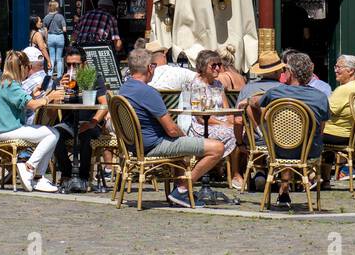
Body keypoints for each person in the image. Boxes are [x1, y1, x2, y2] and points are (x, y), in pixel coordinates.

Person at [119, 49, 224, 207]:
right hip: (153, 145)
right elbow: (172, 130)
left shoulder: (124, 89)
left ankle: (180, 190)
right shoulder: (149, 92)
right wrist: (186, 138)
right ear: (150, 67)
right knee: (217, 148)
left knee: (182, 147)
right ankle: (182, 190)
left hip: (133, 146)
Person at [247, 51, 330, 207]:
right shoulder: (320, 97)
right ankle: (286, 190)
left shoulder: (275, 93)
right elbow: (321, 129)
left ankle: (283, 190)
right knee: (296, 138)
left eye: (285, 70)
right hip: (309, 151)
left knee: (285, 138)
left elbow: (253, 104)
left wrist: (254, 107)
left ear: (290, 73)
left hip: (278, 149)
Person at [0, 52, 64, 192]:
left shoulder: (4, 82)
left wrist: (34, 95)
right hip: (8, 130)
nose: (29, 70)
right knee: (53, 133)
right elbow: (33, 105)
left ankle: (36, 175)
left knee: (51, 134)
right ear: (22, 67)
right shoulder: (11, 85)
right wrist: (50, 96)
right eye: (28, 67)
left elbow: (23, 101)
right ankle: (32, 169)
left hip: (3, 129)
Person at [52, 46, 112, 193]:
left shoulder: (94, 78)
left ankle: (84, 177)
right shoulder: (62, 80)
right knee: (53, 135)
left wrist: (93, 122)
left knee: (86, 135)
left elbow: (104, 105)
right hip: (69, 123)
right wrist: (59, 90)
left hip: (91, 122)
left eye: (76, 65)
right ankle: (67, 175)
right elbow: (52, 111)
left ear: (84, 64)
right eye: (69, 65)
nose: (72, 68)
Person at [181, 49, 242, 191]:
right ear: (203, 67)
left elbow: (226, 109)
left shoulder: (218, 84)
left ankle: (227, 170)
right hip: (201, 126)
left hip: (219, 123)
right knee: (232, 133)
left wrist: (232, 122)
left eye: (219, 65)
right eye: (213, 65)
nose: (218, 68)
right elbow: (201, 118)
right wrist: (226, 124)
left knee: (239, 131)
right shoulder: (196, 86)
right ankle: (234, 173)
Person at [323, 55, 355, 179]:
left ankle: (310, 176)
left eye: (339, 67)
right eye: (335, 67)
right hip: (353, 135)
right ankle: (325, 178)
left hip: (339, 134)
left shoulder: (344, 90)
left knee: (308, 135)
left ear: (351, 71)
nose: (335, 70)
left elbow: (324, 112)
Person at [41, 0, 67, 80]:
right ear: (57, 7)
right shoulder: (60, 16)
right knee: (59, 58)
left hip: (50, 37)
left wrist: (46, 40)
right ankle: (59, 77)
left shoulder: (46, 17)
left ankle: (49, 75)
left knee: (51, 57)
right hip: (59, 37)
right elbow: (65, 29)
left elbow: (45, 31)